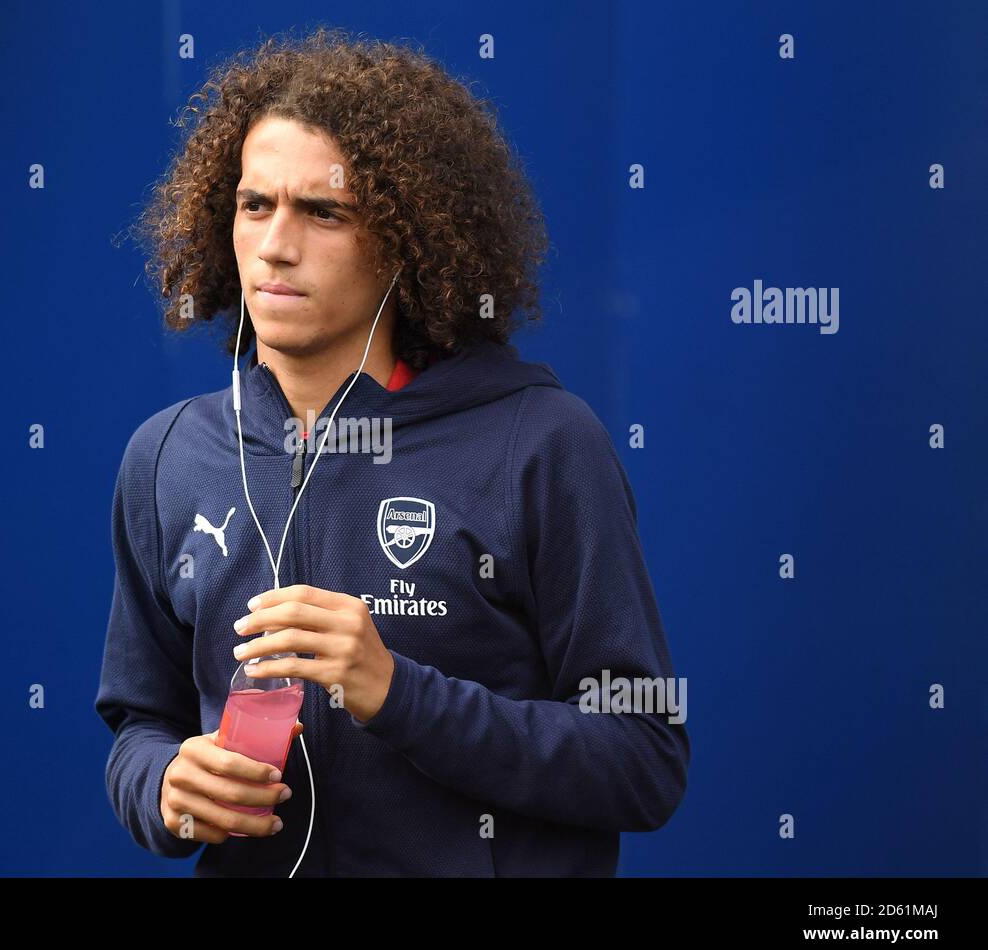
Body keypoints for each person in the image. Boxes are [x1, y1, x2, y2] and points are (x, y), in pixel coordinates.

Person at [95, 27, 689, 876]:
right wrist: (163, 787)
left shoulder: (541, 446)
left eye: (323, 211)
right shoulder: (165, 458)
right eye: (254, 205)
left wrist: (398, 693)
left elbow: (643, 762)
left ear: (407, 238)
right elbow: (137, 724)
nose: (275, 245)